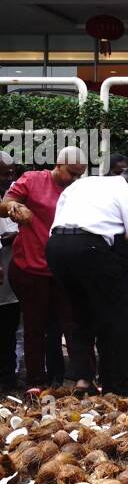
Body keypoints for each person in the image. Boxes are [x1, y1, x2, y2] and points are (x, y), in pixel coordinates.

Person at [45, 165, 128, 397]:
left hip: (56, 247)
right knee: (114, 314)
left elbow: (58, 220)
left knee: (79, 313)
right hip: (91, 247)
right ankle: (115, 384)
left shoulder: (83, 183)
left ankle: (83, 379)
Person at [0, 146, 87, 393]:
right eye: (71, 173)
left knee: (72, 324)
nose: (74, 179)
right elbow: (6, 202)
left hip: (64, 269)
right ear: (57, 166)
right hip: (30, 267)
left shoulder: (80, 190)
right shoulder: (32, 179)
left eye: (79, 174)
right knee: (34, 327)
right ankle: (35, 383)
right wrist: (15, 209)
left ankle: (83, 379)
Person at [0, 152, 19, 390]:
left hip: (11, 281)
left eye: (12, 173)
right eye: (5, 173)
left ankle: (8, 379)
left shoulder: (13, 196)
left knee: (9, 331)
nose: (10, 178)